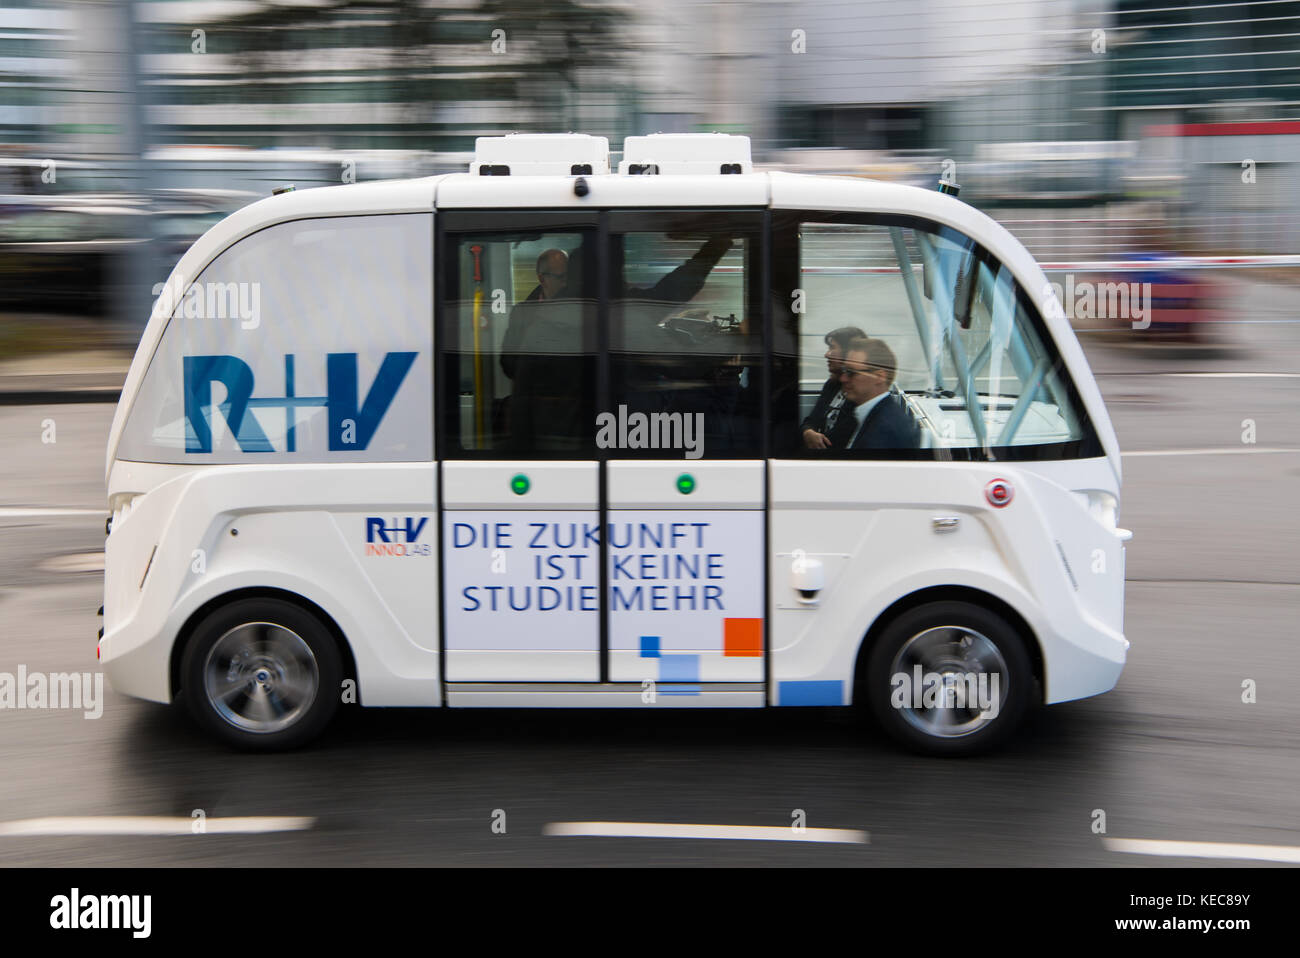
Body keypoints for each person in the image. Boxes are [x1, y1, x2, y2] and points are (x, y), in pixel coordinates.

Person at [826, 337, 920, 450]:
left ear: (879, 376)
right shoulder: (876, 413)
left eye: (851, 372)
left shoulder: (885, 433)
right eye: (844, 370)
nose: (843, 378)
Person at [801, 326, 866, 449]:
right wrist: (808, 432)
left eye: (832, 348)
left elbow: (840, 439)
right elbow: (811, 419)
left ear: (848, 353)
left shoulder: (859, 392)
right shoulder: (832, 384)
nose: (826, 355)